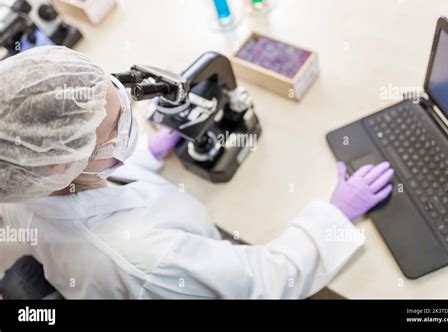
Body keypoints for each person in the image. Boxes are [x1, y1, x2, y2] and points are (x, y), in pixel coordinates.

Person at [0, 46, 394, 299]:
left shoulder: (22, 173)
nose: (132, 111)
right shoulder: (146, 259)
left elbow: (78, 183)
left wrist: (145, 157)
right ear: (66, 160)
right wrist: (333, 216)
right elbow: (268, 280)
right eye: (118, 121)